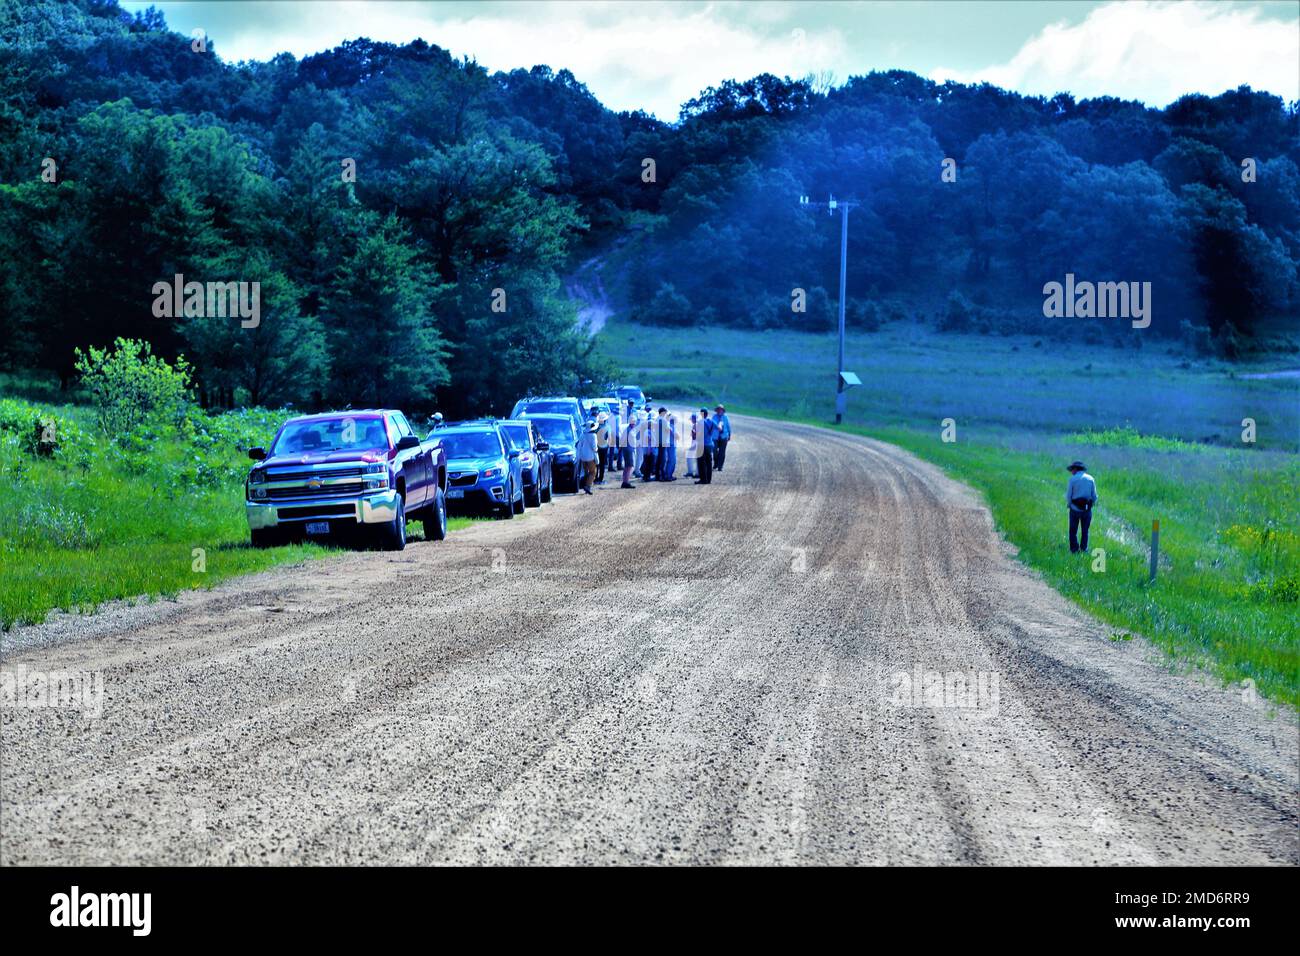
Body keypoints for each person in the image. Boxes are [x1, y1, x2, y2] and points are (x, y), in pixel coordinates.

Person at [1066, 460, 1098, 552]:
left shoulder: (1072, 479)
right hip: (1087, 509)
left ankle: (1074, 549)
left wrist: (1069, 505)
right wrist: (1092, 504)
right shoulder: (1091, 479)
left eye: (1072, 469)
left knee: (1073, 531)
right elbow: (1094, 496)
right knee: (1085, 531)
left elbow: (1069, 496)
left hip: (1074, 509)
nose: (1071, 471)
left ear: (1075, 469)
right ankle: (1084, 549)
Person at [577, 421, 599, 495]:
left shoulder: (582, 435)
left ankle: (585, 484)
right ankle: (588, 486)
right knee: (593, 472)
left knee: (586, 472)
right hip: (590, 456)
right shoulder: (593, 435)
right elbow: (594, 447)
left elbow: (579, 446)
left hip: (583, 456)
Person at [695, 407, 714, 484]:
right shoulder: (711, 421)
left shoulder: (700, 422)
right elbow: (719, 428)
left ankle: (703, 479)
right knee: (709, 462)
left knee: (701, 463)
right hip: (709, 444)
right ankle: (708, 480)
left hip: (701, 444)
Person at [619, 414, 637, 488]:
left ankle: (625, 481)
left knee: (627, 466)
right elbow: (623, 440)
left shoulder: (629, 429)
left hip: (629, 449)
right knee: (630, 466)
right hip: (628, 449)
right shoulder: (628, 430)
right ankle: (626, 482)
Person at [712, 404, 731, 472]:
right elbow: (712, 425)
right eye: (718, 409)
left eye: (721, 410)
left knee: (722, 452)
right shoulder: (714, 417)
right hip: (715, 436)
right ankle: (716, 463)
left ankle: (720, 466)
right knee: (714, 450)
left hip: (724, 436)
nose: (720, 411)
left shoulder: (726, 417)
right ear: (717, 411)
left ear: (723, 411)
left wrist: (729, 435)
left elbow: (728, 426)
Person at [595, 412, 610, 484]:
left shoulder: (596, 427)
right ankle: (600, 478)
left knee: (597, 463)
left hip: (597, 447)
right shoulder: (607, 427)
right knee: (602, 463)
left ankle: (595, 477)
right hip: (604, 447)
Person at [685, 413, 698, 478]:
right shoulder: (698, 424)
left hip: (696, 443)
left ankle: (691, 472)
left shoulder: (695, 425)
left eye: (692, 419)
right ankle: (696, 472)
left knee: (690, 456)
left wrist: (693, 433)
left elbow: (694, 436)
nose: (691, 420)